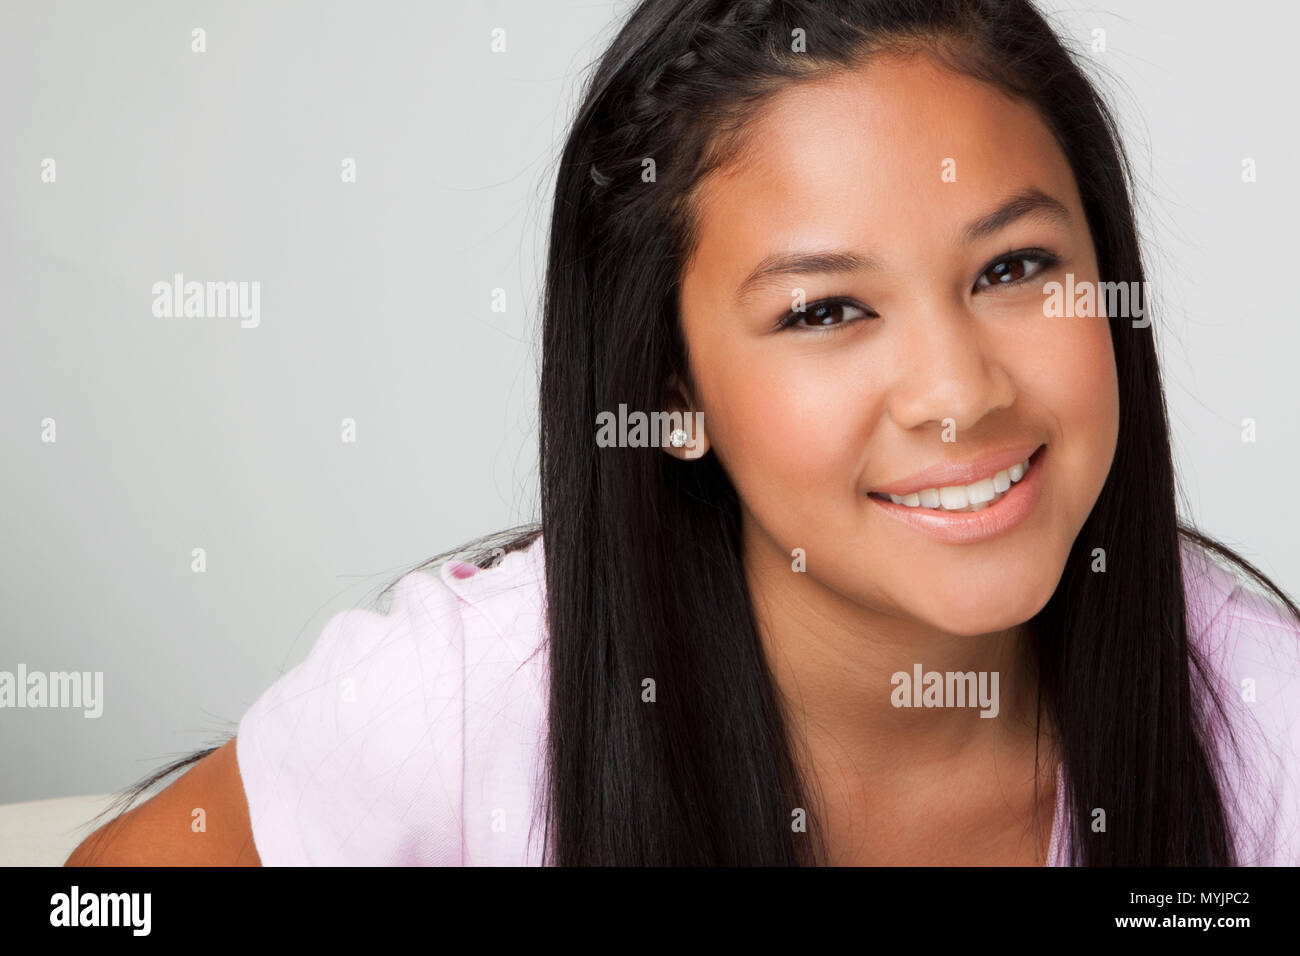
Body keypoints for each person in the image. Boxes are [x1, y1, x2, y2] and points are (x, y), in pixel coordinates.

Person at [67, 0, 1300, 867]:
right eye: (824, 308)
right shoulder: (458, 705)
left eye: (1016, 265)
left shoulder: (1264, 721)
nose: (955, 392)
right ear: (670, 390)